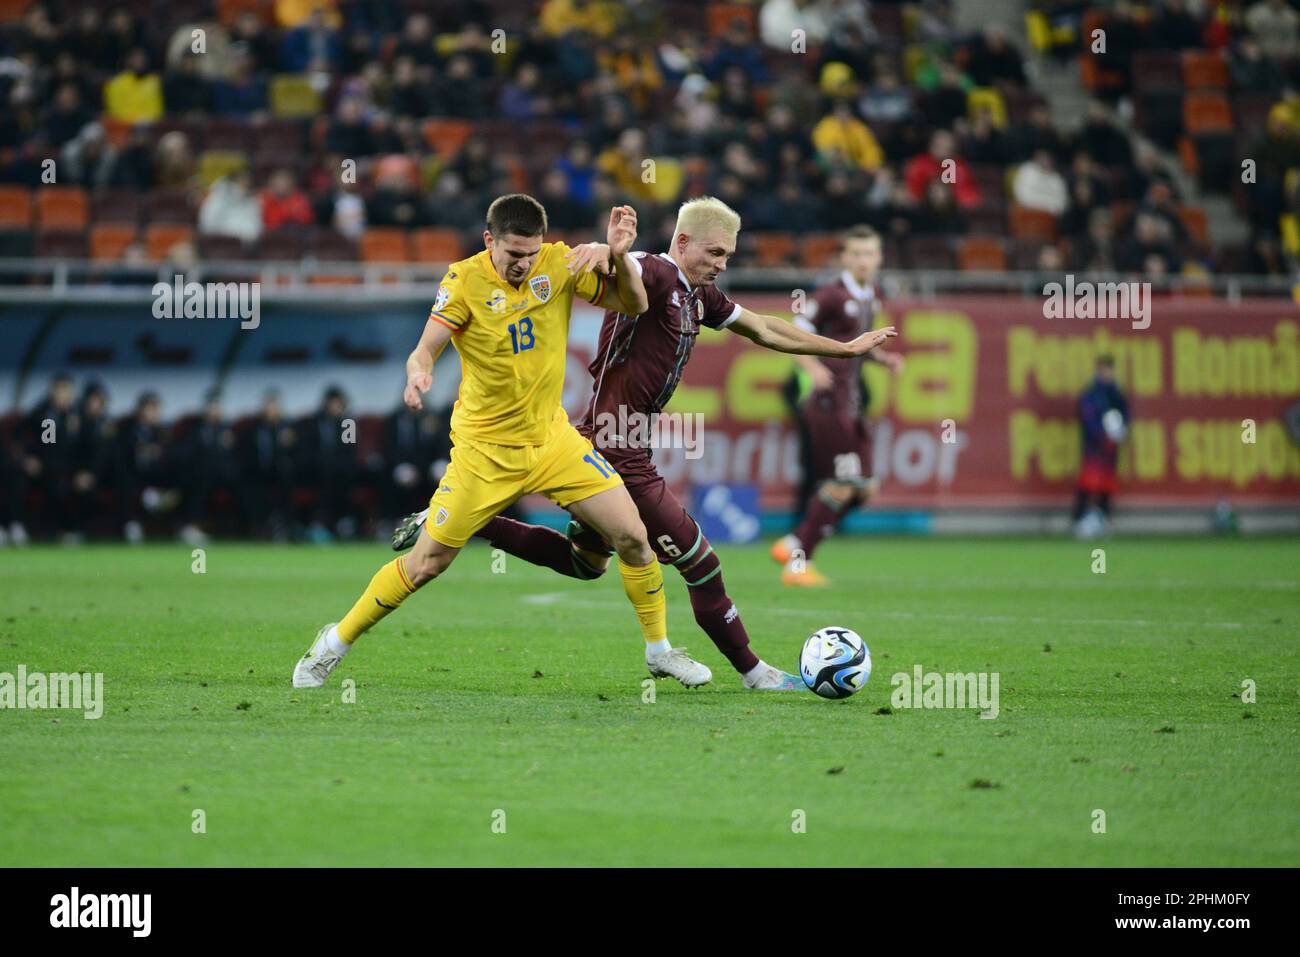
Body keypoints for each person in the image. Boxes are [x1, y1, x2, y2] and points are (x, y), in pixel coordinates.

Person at [393, 199, 898, 688]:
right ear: (683, 241)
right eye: (715, 253)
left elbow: (765, 328)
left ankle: (466, 521)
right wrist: (606, 249)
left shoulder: (699, 295)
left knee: (584, 563)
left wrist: (845, 349)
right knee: (701, 564)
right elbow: (628, 266)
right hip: (617, 452)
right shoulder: (656, 272)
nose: (723, 264)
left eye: (728, 255)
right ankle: (753, 672)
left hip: (613, 440)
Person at [293, 196, 711, 689]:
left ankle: (659, 651)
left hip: (552, 442)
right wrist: (417, 374)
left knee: (634, 538)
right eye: (514, 254)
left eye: (531, 253)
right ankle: (334, 643)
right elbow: (425, 349)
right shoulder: (462, 280)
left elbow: (636, 304)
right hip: (484, 454)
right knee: (428, 563)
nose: (523, 264)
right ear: (489, 241)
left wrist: (619, 255)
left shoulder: (560, 263)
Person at [771, 225, 904, 586]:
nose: (864, 260)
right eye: (856, 254)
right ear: (845, 257)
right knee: (841, 483)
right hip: (829, 402)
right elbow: (791, 331)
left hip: (853, 402)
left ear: (879, 258)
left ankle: (795, 541)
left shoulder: (871, 294)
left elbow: (852, 343)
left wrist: (882, 360)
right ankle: (799, 563)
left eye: (870, 254)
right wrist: (812, 366)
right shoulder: (830, 294)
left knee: (865, 486)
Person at [1072, 355, 1130, 539]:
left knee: (1107, 484)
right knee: (1088, 482)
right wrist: (1102, 432)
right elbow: (1087, 418)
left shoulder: (1116, 393)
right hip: (1094, 447)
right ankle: (1079, 520)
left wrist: (1120, 430)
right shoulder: (1092, 394)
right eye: (1104, 369)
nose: (1108, 373)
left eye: (1110, 369)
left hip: (1110, 449)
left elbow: (1125, 414)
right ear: (1098, 370)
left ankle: (1103, 519)